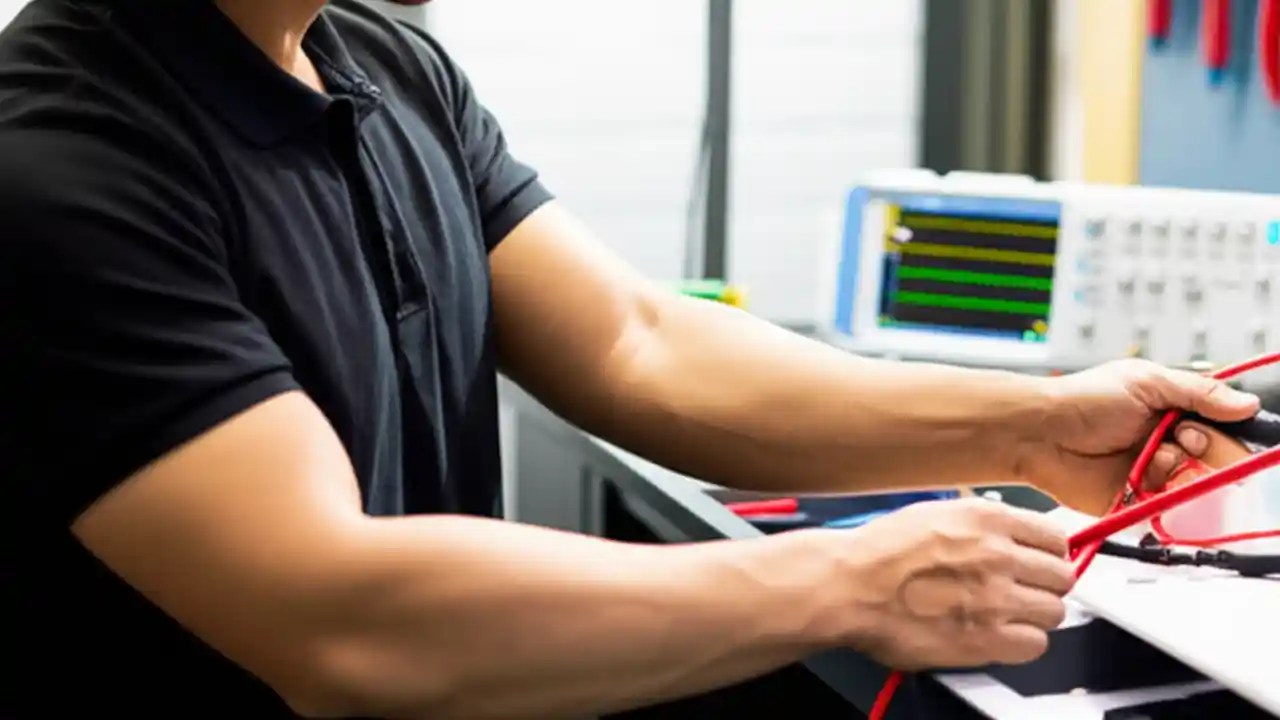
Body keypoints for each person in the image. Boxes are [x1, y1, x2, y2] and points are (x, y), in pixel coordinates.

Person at [0, 1, 1255, 717]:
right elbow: (334, 616)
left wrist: (1029, 430)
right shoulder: (61, 161)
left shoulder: (383, 67)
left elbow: (635, 344)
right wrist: (848, 585)